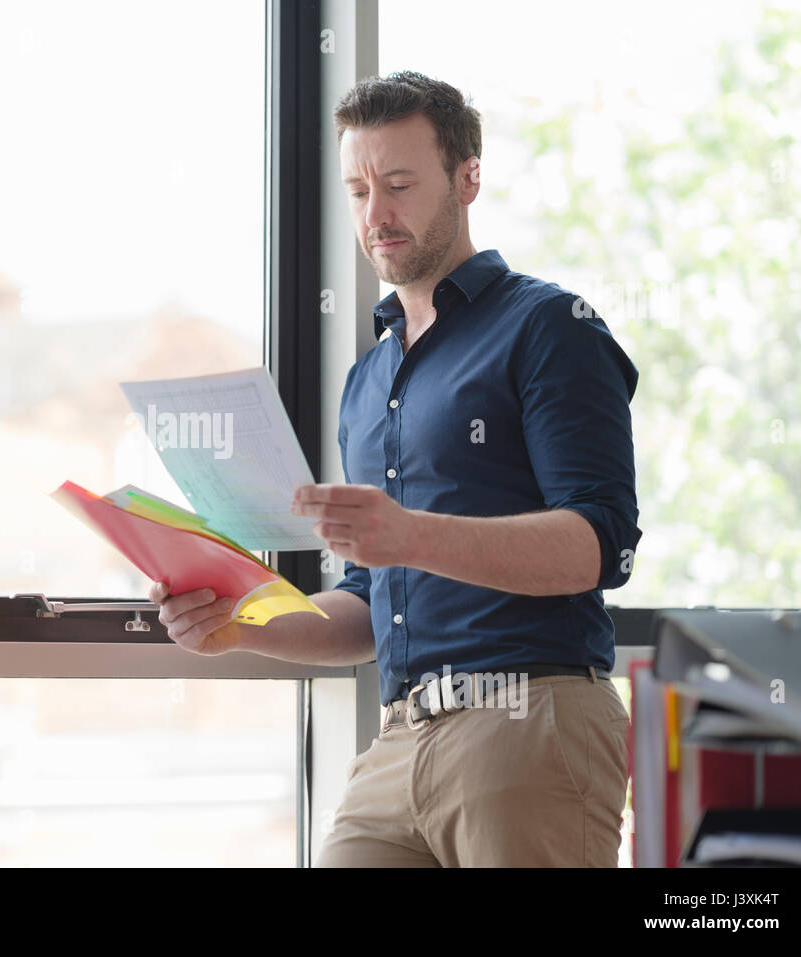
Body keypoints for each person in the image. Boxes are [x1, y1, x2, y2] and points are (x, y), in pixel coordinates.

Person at [149, 71, 642, 867]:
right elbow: (366, 603)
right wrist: (238, 623)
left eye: (401, 184)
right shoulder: (367, 380)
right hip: (398, 741)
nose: (375, 214)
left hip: (529, 729)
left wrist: (410, 534)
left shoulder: (549, 326)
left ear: (469, 178)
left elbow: (600, 545)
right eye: (358, 188)